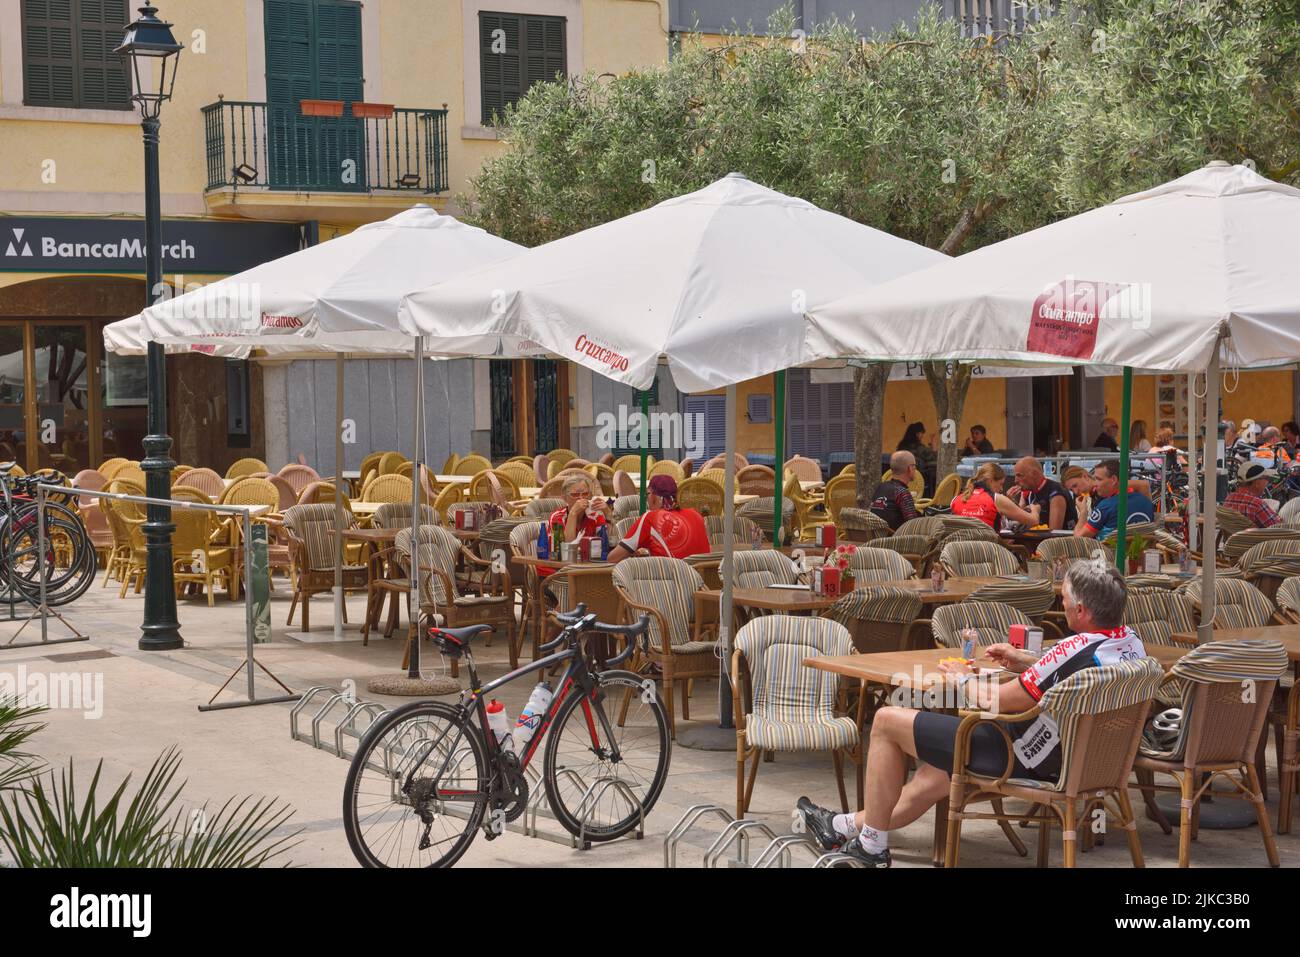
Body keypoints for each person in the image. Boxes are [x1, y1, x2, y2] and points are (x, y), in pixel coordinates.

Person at [796, 561, 1146, 865]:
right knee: (935, 774)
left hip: (1022, 755)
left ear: (1082, 611)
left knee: (887, 720)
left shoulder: (1073, 647)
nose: (1063, 602)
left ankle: (871, 847)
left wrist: (962, 681)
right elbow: (1077, 667)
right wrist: (1027, 660)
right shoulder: (1130, 642)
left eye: (1066, 599)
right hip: (1086, 760)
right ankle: (841, 826)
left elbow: (1004, 701)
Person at [607, 474, 709, 563]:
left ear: (653, 496)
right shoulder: (696, 515)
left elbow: (613, 558)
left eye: (647, 494)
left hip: (670, 582)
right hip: (702, 581)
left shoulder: (650, 518)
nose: (647, 498)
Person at [539, 474, 613, 577]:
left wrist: (608, 514)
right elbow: (566, 552)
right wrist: (573, 514)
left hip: (587, 568)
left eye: (585, 494)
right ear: (564, 497)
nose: (581, 498)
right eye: (575, 495)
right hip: (559, 570)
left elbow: (607, 543)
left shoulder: (595, 516)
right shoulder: (557, 517)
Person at [1075, 459, 1155, 540]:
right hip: (1141, 550)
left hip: (1110, 551)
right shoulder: (1146, 501)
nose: (1095, 484)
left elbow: (1078, 539)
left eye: (1098, 479)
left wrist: (1083, 512)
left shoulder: (1106, 506)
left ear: (1113, 480)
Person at [949, 462, 1039, 530]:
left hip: (959, 552)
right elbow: (1034, 521)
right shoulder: (997, 499)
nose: (1001, 489)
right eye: (1001, 484)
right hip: (988, 552)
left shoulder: (955, 500)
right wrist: (1035, 509)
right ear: (991, 480)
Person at [1011, 456, 1076, 530]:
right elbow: (1019, 524)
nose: (1015, 480)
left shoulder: (1056, 492)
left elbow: (1054, 532)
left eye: (1019, 475)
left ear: (1034, 474)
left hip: (1062, 540)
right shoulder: (1030, 493)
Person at [869, 450, 921, 531]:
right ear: (910, 468)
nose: (915, 469)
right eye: (914, 466)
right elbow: (913, 526)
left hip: (877, 537)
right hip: (895, 540)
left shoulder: (881, 487)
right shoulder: (901, 492)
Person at [1222, 463, 1281, 529]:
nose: (1267, 482)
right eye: (1267, 478)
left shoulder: (1229, 498)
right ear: (1257, 483)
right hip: (1258, 539)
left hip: (1233, 538)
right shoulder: (1257, 504)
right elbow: (1278, 528)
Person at [896, 422, 937, 494]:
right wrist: (934, 446)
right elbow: (933, 458)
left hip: (901, 478)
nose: (922, 436)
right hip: (918, 479)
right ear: (917, 434)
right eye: (922, 433)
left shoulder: (901, 446)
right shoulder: (919, 448)